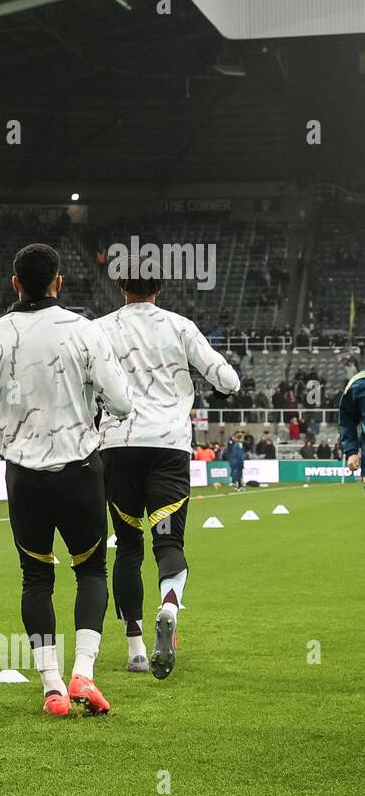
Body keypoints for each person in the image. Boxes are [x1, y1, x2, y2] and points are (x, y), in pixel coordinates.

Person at [0, 243, 134, 717]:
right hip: (79, 471)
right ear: (59, 282)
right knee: (91, 571)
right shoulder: (85, 331)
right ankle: (84, 673)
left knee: (36, 577)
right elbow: (121, 403)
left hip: (24, 477)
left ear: (15, 283)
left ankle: (52, 687)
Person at [96, 254, 239, 679]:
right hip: (168, 446)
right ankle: (170, 606)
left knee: (127, 546)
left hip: (118, 445)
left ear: (121, 287)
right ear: (159, 287)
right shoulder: (180, 326)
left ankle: (136, 648)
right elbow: (228, 381)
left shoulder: (98, 329)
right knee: (168, 542)